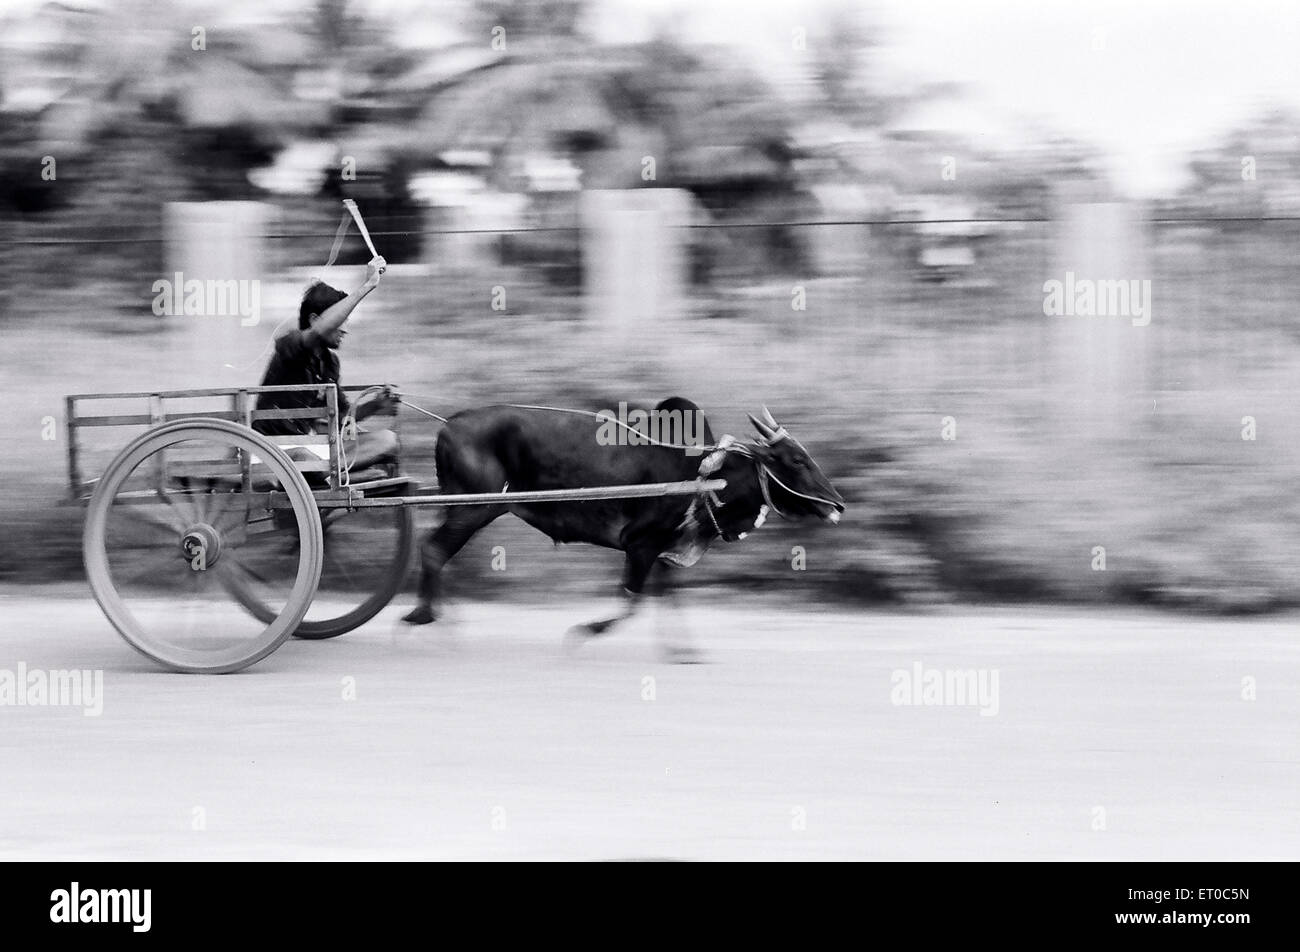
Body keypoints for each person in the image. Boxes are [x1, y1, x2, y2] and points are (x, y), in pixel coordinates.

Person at [253, 256, 399, 474]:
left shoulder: (330, 363)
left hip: (314, 450)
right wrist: (367, 285)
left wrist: (376, 405)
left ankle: (331, 471)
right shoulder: (290, 344)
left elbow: (342, 418)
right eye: (340, 322)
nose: (345, 330)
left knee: (388, 439)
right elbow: (318, 332)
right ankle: (338, 472)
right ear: (314, 320)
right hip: (274, 451)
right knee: (305, 458)